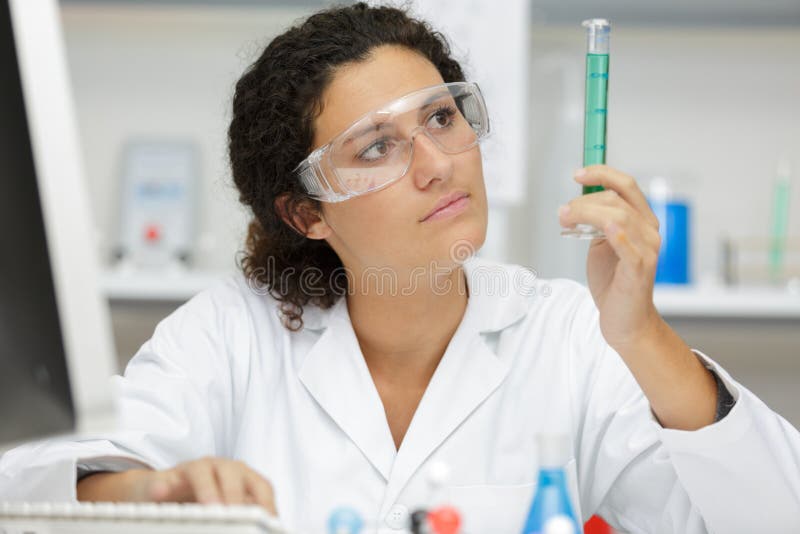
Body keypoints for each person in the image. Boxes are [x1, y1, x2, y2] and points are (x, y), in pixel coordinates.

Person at [1, 3, 799, 533]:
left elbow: (772, 513)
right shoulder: (231, 335)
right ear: (306, 213)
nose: (437, 165)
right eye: (377, 147)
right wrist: (151, 493)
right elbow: (35, 484)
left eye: (443, 119)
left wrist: (643, 335)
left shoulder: (569, 337)